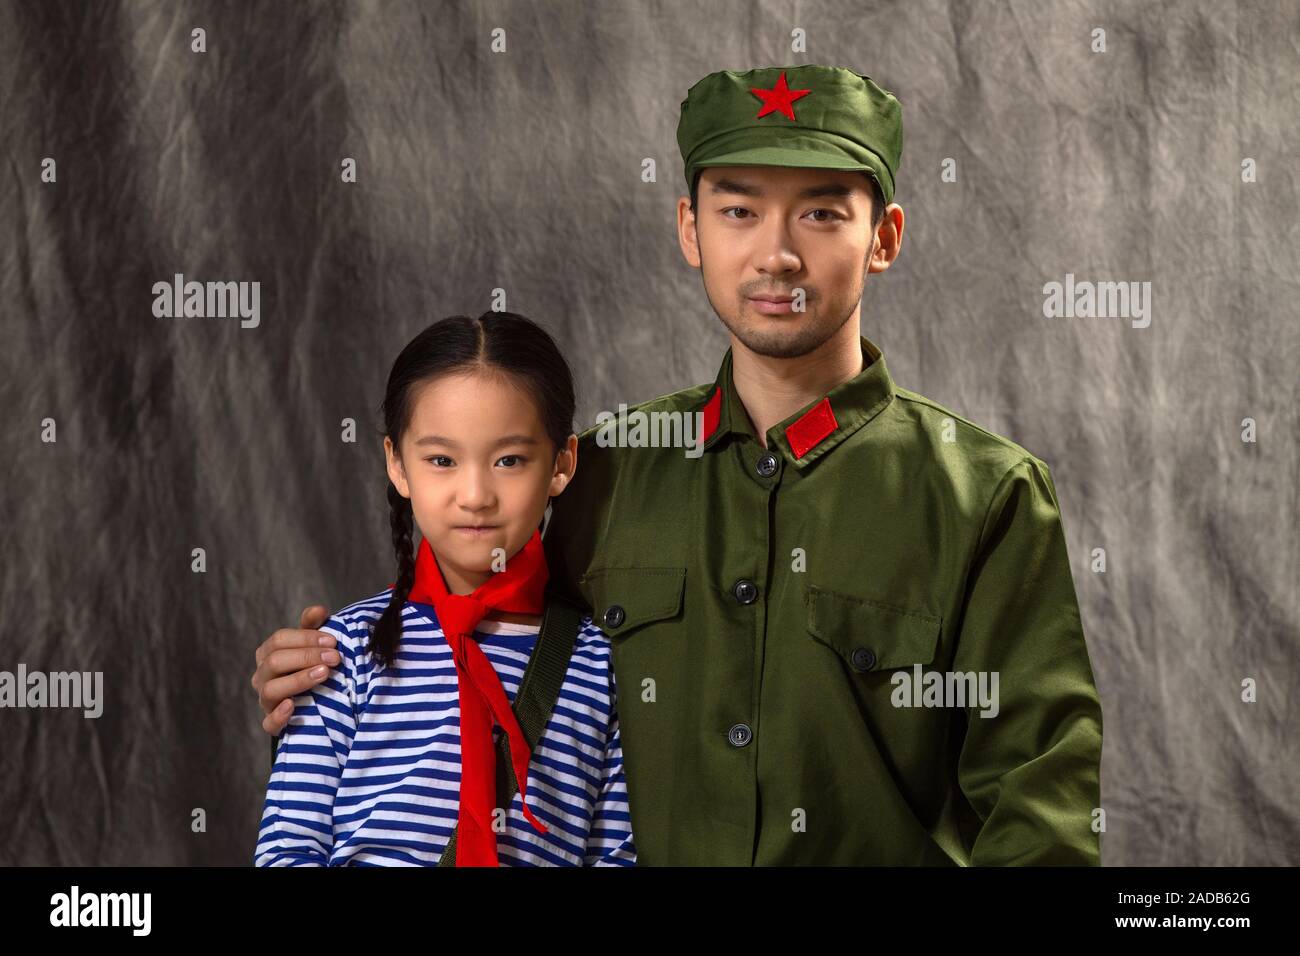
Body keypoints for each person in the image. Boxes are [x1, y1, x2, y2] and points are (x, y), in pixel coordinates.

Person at [252, 64, 1103, 865]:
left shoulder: (984, 497)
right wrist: (329, 668)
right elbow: (487, 623)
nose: (777, 255)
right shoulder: (609, 471)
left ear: (883, 236)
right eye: (739, 212)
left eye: (820, 212)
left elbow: (1039, 806)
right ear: (690, 229)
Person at [254, 312, 635, 866]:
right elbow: (288, 847)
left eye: (510, 460)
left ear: (561, 464)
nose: (475, 494)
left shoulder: (601, 664)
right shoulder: (345, 650)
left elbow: (617, 854)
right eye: (441, 460)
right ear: (397, 464)